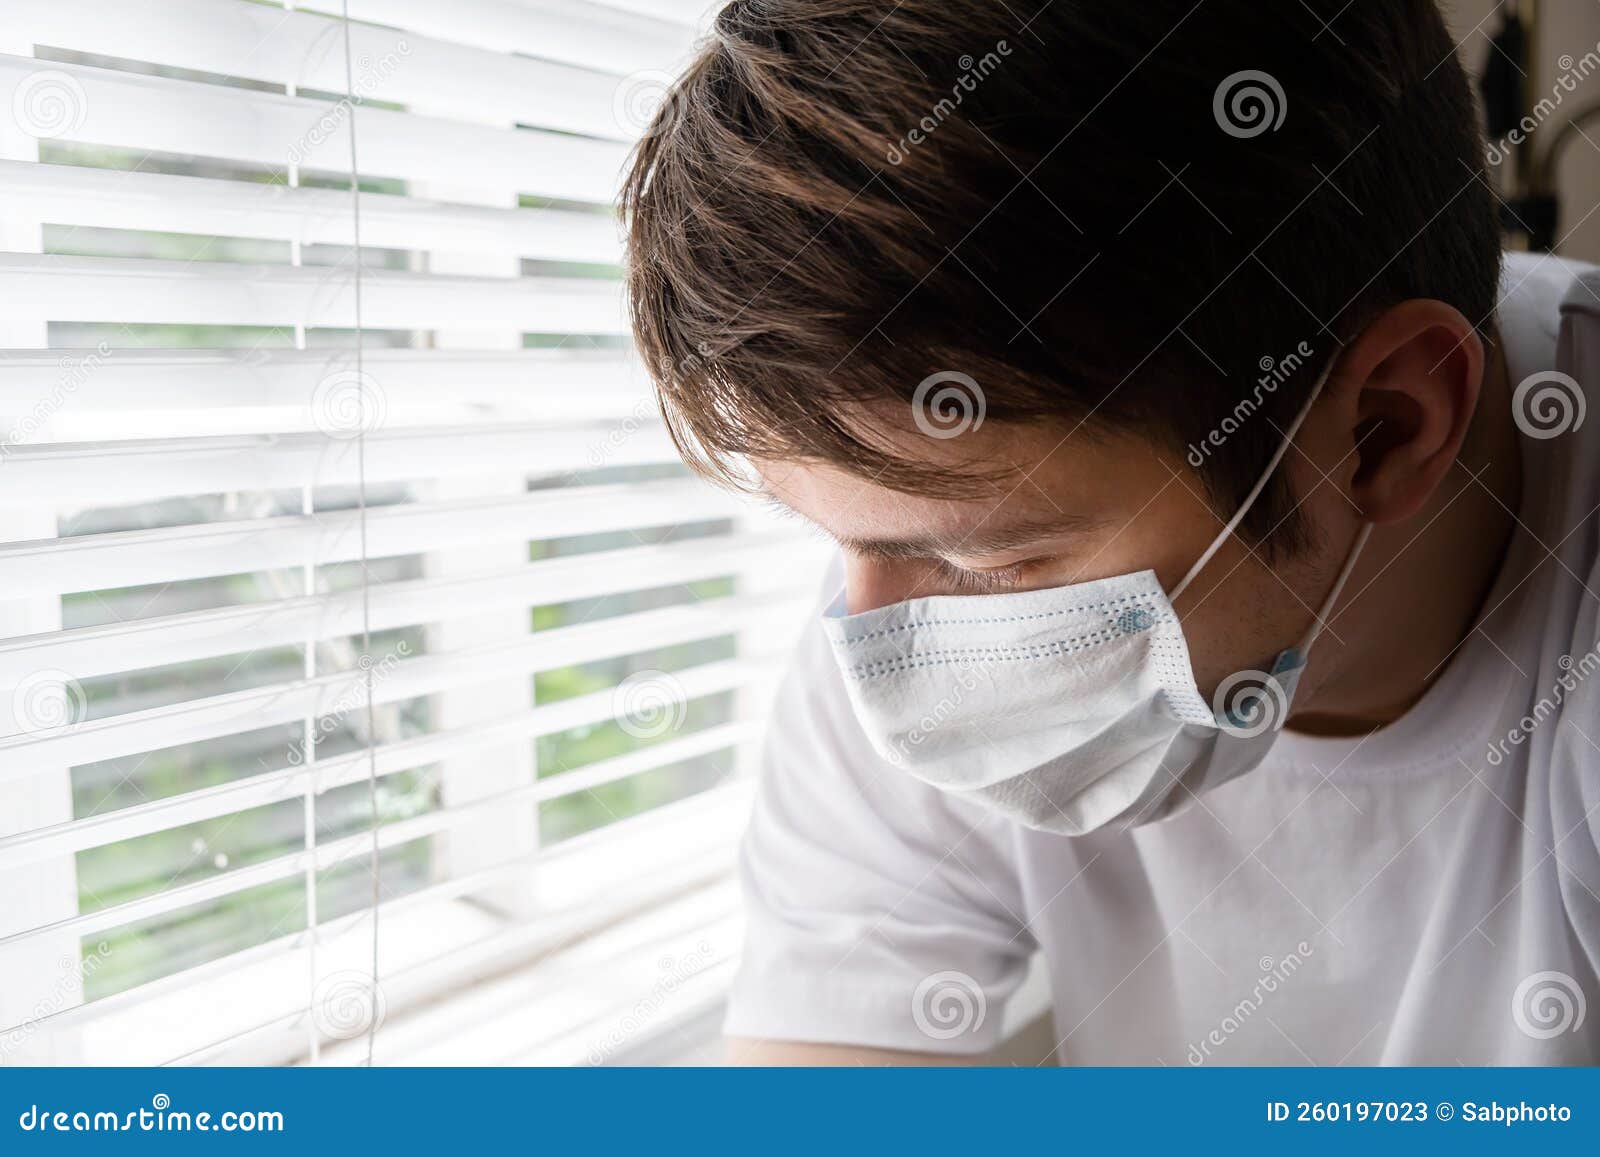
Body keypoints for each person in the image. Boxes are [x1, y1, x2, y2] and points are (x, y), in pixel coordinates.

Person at [621, 0, 1600, 1064]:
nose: (875, 652)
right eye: (836, 534)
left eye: (987, 558)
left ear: (1381, 428)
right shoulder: (905, 571)